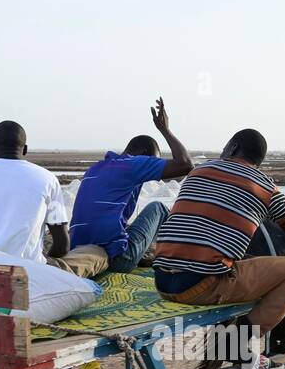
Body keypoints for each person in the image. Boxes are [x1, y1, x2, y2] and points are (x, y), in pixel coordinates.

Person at [153, 128, 285, 369]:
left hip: (163, 280)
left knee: (247, 258)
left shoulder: (199, 171)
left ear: (231, 148)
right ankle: (238, 341)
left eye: (224, 148)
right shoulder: (266, 186)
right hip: (200, 287)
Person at [0, 120, 108, 278]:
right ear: (25, 149)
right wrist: (45, 264)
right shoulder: (47, 179)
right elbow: (62, 245)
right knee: (96, 253)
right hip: (28, 273)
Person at [69, 97, 193, 274]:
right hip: (117, 260)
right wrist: (165, 129)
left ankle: (150, 253)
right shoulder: (132, 164)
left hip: (80, 253)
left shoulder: (95, 168)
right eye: (153, 160)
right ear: (143, 155)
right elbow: (186, 165)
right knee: (158, 208)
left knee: (128, 226)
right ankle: (180, 260)